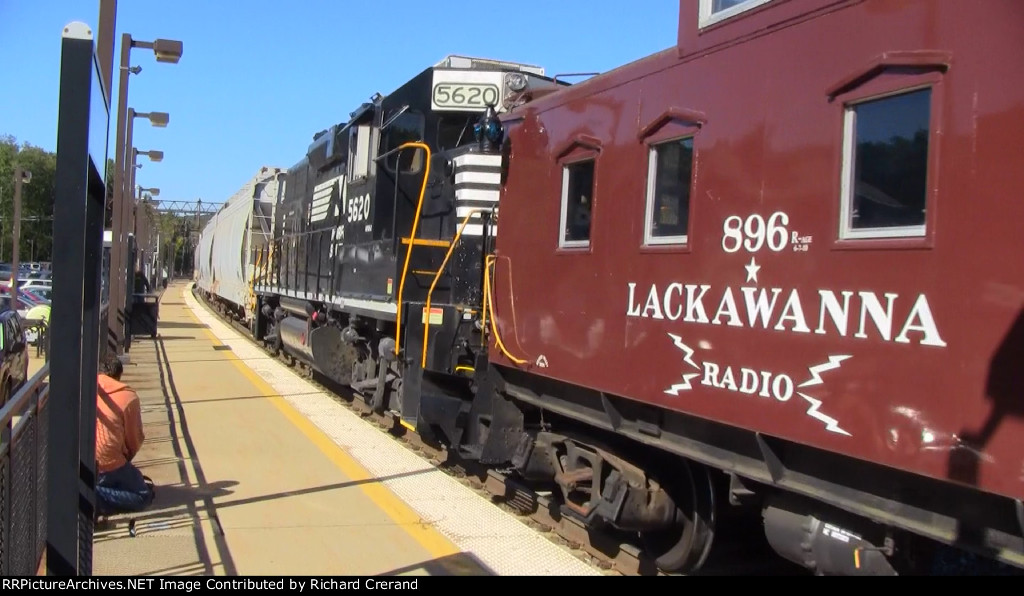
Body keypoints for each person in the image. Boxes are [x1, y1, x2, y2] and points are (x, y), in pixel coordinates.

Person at [95, 353, 155, 516]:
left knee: (127, 477)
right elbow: (133, 438)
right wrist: (125, 456)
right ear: (119, 376)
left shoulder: (84, 386)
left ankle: (91, 490)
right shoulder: (127, 396)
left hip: (79, 461)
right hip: (109, 462)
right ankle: (95, 495)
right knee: (143, 495)